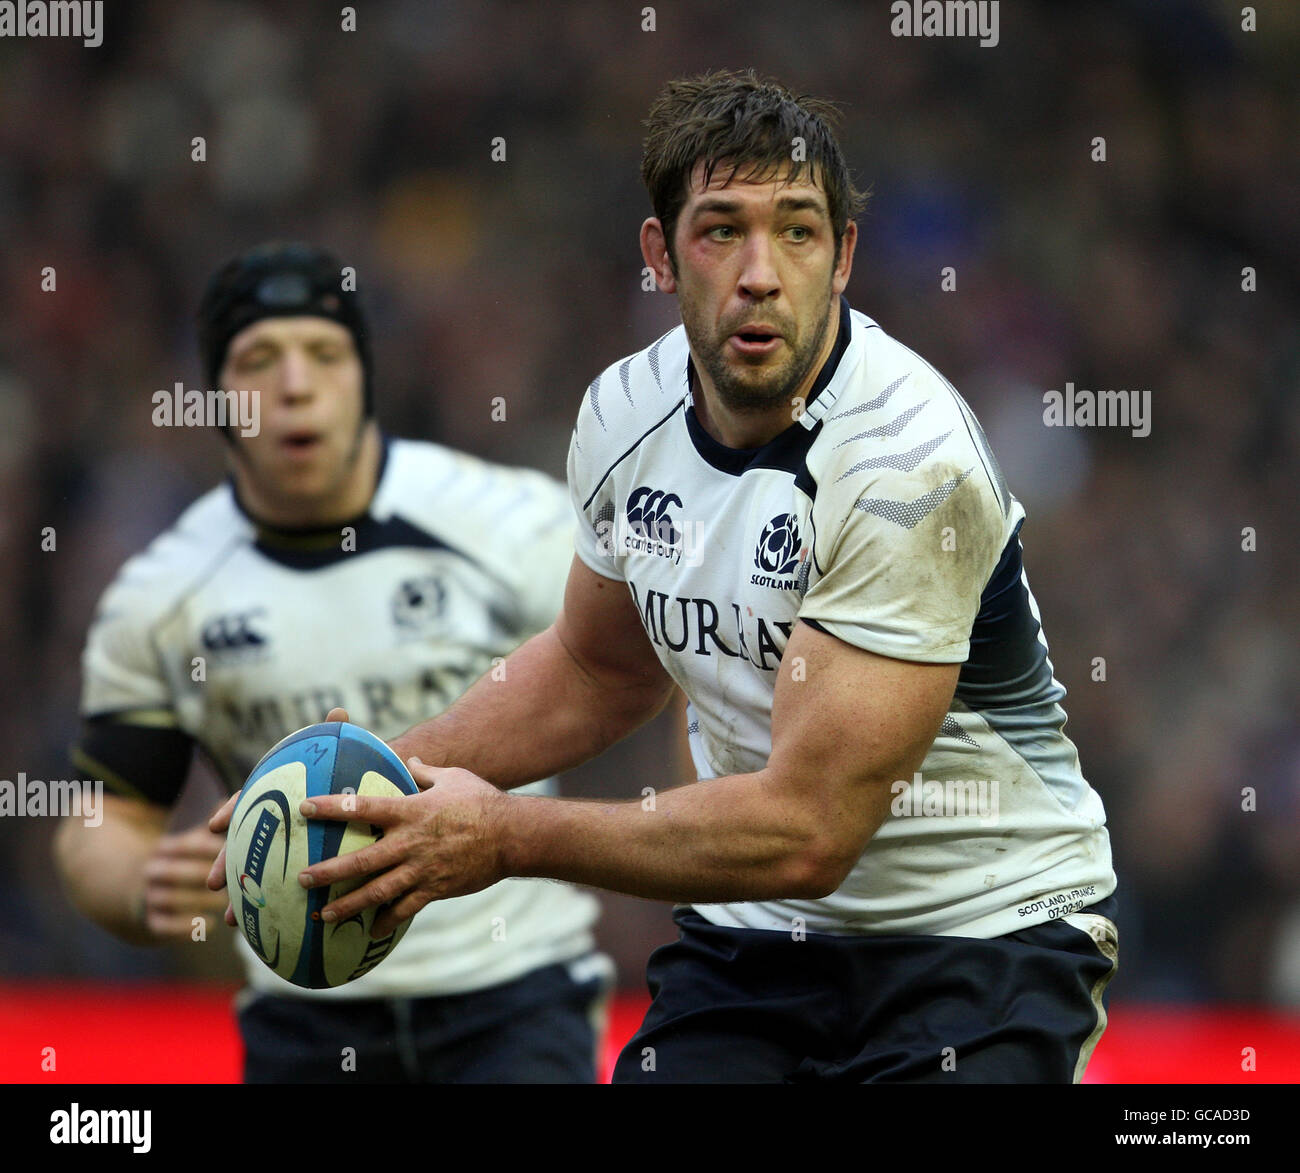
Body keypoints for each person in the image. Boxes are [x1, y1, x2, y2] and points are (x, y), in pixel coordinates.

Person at [213, 71, 1119, 1083]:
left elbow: (806, 831)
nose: (761, 272)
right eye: (721, 229)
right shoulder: (621, 417)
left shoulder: (907, 465)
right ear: (660, 254)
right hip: (760, 941)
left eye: (799, 232)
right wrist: (365, 789)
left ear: (844, 256)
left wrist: (505, 837)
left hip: (980, 937)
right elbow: (599, 671)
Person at [56, 241, 611, 1083]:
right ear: (213, 398)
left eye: (324, 352)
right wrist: (140, 886)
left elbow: (634, 669)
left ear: (364, 377)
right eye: (257, 360)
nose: (293, 384)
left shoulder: (509, 524)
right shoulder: (161, 595)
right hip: (303, 1017)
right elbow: (102, 817)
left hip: (514, 995)